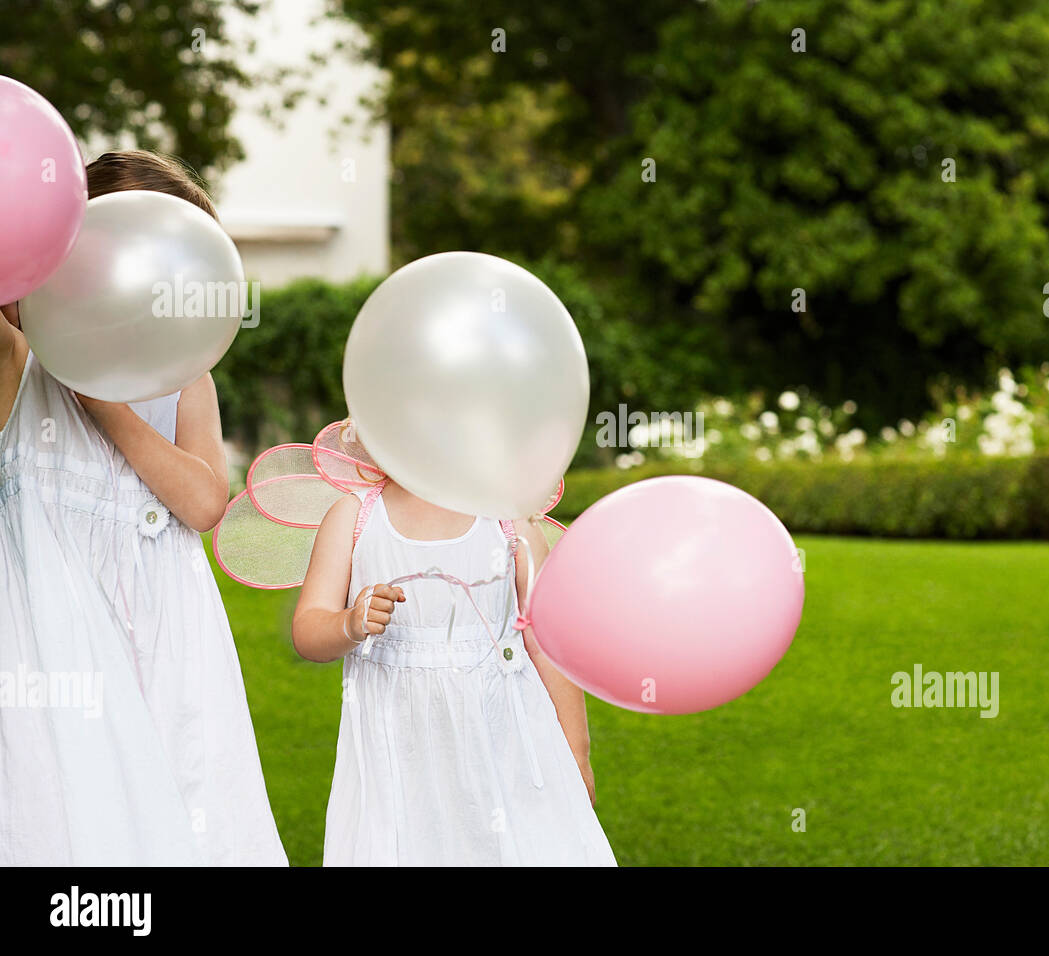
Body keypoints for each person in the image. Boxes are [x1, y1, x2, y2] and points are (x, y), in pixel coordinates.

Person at [0, 150, 286, 865]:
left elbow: (202, 503)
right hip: (52, 624)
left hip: (165, 628)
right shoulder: (20, 357)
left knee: (183, 782)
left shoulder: (184, 373)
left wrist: (106, 403)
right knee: (68, 793)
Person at [293, 471, 617, 866]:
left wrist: (576, 755)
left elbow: (550, 645)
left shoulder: (509, 522)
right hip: (398, 757)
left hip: (506, 749)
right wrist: (349, 622)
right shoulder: (354, 518)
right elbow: (309, 629)